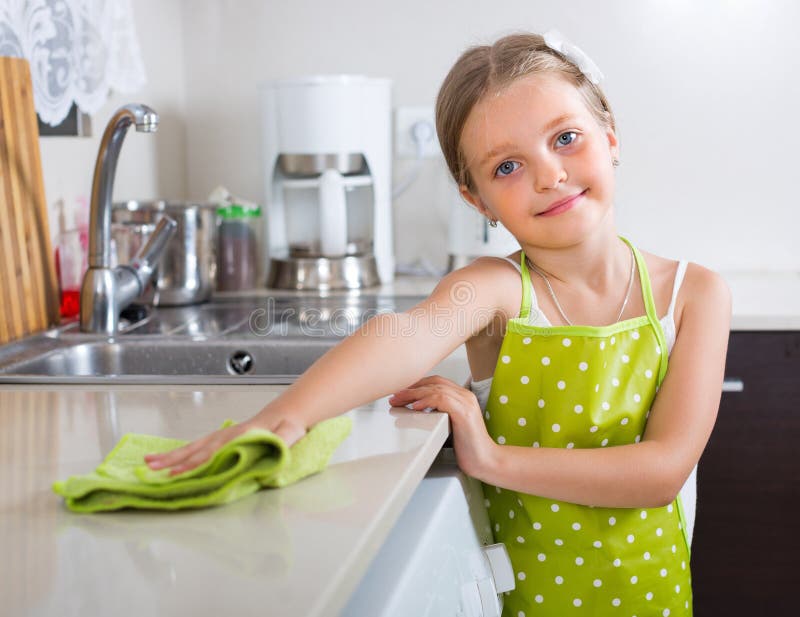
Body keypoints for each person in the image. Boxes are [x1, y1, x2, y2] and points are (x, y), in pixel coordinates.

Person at [146, 30, 730, 616]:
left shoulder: (694, 295)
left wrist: (494, 460)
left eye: (566, 138)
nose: (549, 175)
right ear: (476, 201)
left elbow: (661, 472)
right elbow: (402, 335)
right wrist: (282, 418)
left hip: (655, 600)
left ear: (610, 137)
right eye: (507, 166)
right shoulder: (497, 290)